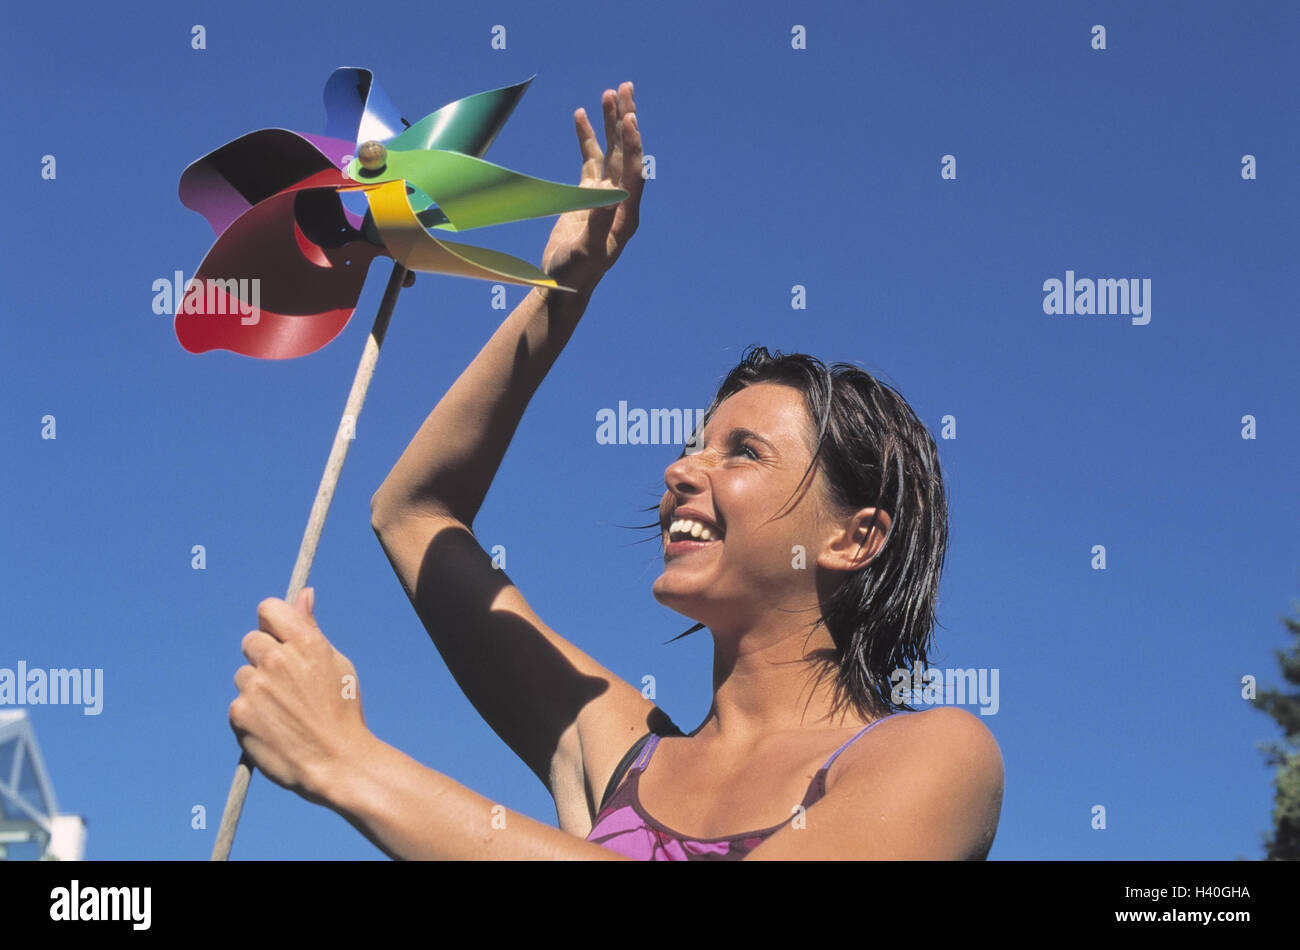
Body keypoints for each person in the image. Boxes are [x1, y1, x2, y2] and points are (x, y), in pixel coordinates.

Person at [229, 81, 1004, 860]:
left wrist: (351, 763)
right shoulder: (621, 753)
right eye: (693, 443)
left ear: (855, 537)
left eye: (743, 451)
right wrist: (561, 289)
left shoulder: (936, 757)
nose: (680, 470)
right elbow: (414, 515)